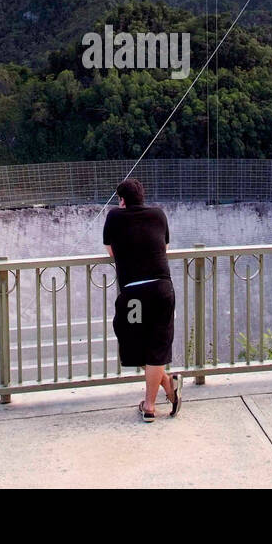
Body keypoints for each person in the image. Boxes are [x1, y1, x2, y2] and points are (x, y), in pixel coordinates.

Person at [103, 177, 182, 422]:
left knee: (133, 340)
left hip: (133, 292)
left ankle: (150, 405)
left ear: (122, 200)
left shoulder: (114, 216)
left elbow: (111, 252)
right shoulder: (158, 215)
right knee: (157, 346)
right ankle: (168, 386)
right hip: (161, 289)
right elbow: (164, 247)